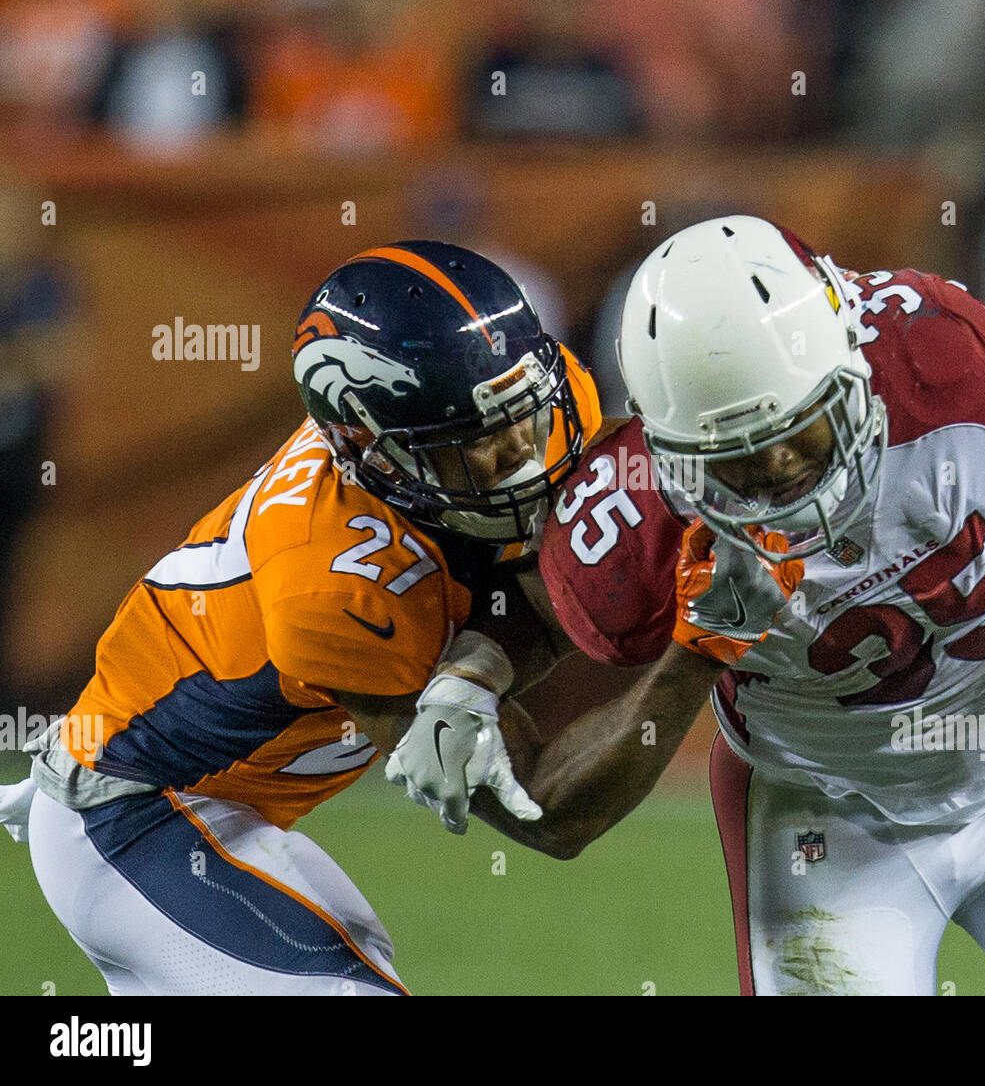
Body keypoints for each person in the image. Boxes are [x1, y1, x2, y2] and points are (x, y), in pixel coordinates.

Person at [526, 214, 985, 996]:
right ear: (670, 455)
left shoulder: (964, 368)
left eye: (798, 432)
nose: (780, 473)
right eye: (736, 463)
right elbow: (551, 777)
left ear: (848, 366)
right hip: (827, 821)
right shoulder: (634, 518)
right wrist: (680, 648)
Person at [0, 241, 619, 995]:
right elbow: (544, 808)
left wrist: (475, 666)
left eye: (523, 415)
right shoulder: (331, 581)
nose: (523, 452)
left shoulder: (538, 402)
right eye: (474, 444)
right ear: (375, 453)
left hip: (225, 808)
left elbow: (546, 584)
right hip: (133, 818)